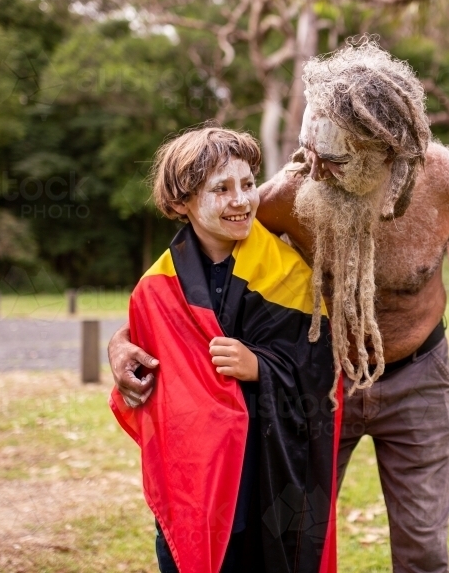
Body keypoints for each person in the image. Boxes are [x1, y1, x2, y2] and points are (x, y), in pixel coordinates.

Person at [110, 39, 449, 573]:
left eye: (331, 159)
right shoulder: (283, 199)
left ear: (386, 152)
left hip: (420, 375)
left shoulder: (448, 184)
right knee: (294, 531)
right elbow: (192, 281)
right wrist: (126, 341)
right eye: (307, 151)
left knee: (423, 547)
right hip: (317, 386)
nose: (310, 170)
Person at [109, 125, 340, 573]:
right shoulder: (157, 288)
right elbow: (150, 375)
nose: (241, 200)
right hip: (194, 478)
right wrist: (124, 361)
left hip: (267, 475)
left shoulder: (288, 273)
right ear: (181, 203)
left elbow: (322, 368)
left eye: (248, 184)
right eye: (222, 188)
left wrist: (261, 367)